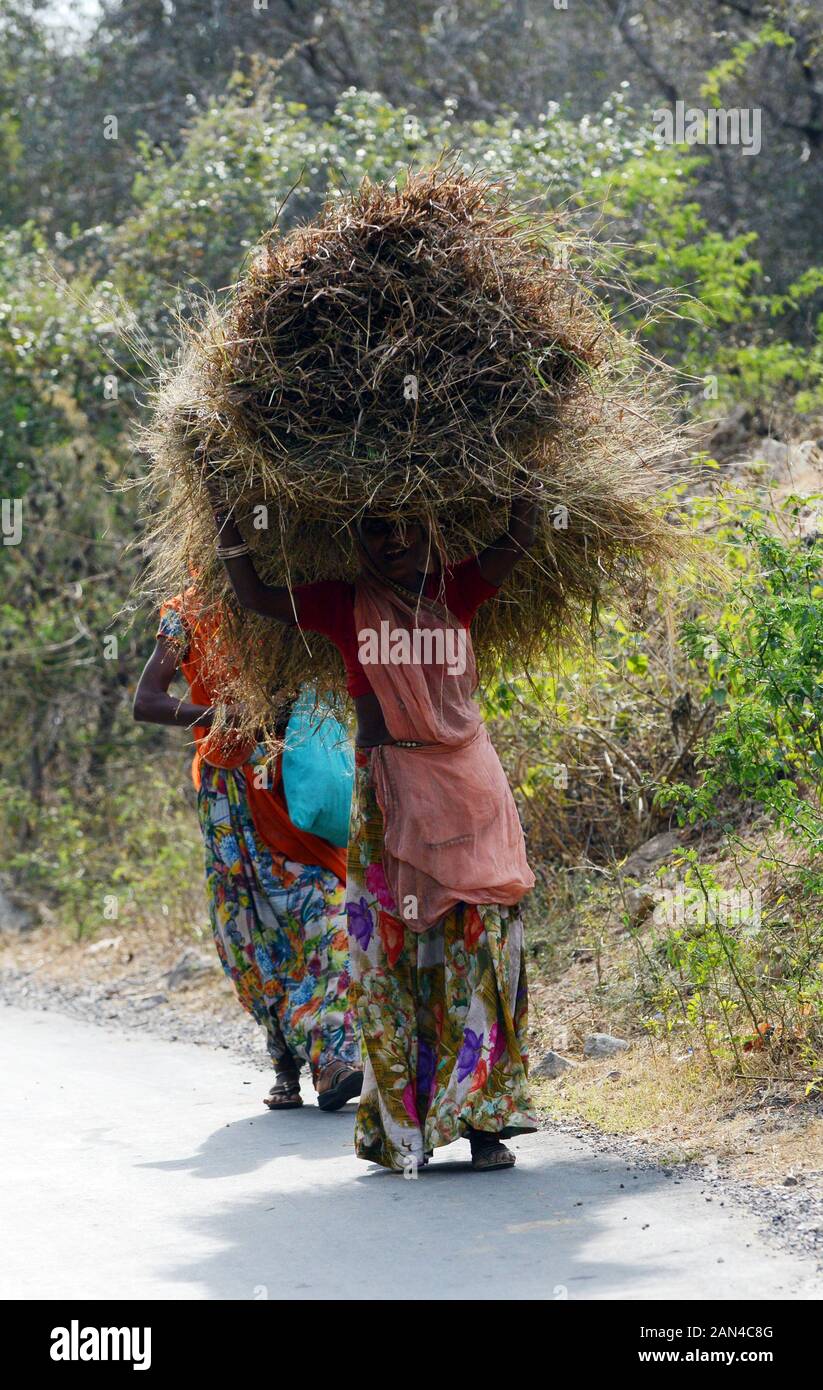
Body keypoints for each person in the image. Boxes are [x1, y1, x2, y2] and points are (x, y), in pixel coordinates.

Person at [208, 485, 539, 1171]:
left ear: (430, 532)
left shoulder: (458, 589)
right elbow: (253, 594)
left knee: (481, 945)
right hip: (388, 800)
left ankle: (483, 1122)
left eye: (405, 528)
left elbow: (518, 538)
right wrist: (222, 510)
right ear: (356, 543)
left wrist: (525, 474)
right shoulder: (342, 602)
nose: (392, 542)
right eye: (377, 530)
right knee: (397, 954)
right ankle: (407, 1126)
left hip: (467, 791)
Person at [133, 587, 362, 1112]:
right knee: (250, 929)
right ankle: (284, 1061)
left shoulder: (289, 596)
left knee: (330, 912)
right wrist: (219, 717)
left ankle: (334, 1058)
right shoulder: (185, 612)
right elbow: (146, 701)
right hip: (228, 793)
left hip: (291, 782)